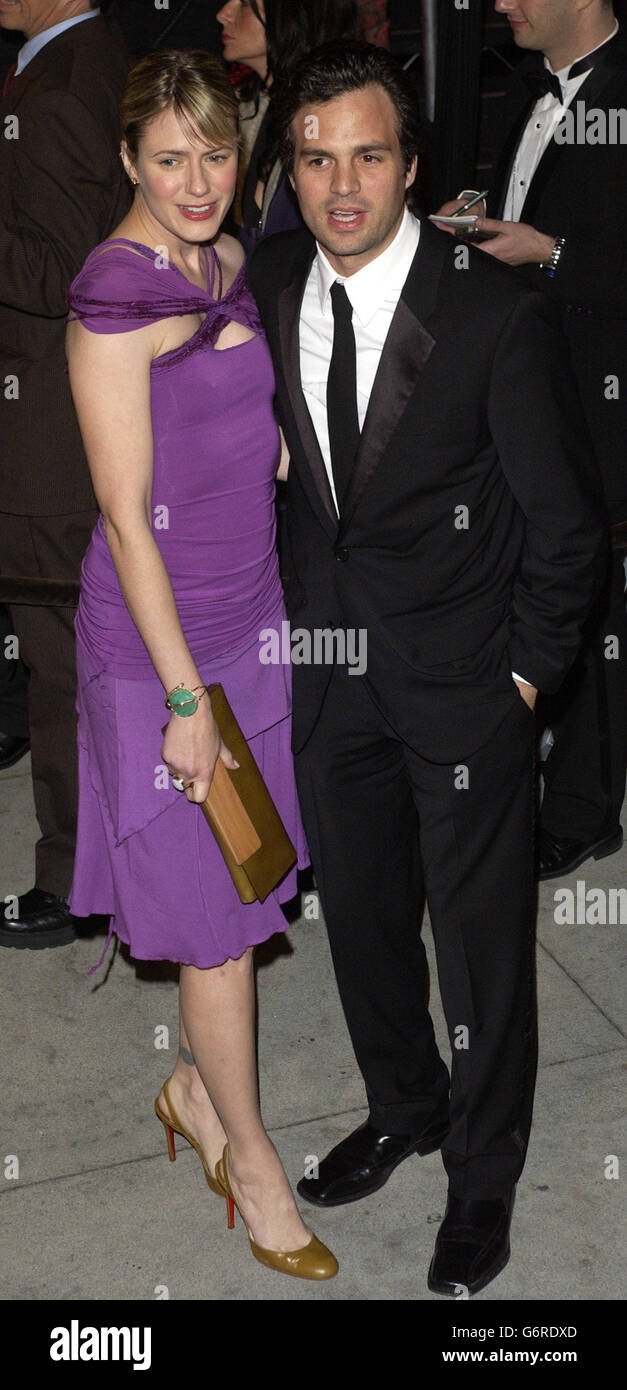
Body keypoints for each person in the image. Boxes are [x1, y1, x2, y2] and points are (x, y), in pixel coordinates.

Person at [246, 41, 605, 1295]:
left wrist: (525, 681)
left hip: (466, 683)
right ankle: (405, 1104)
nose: (343, 186)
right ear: (287, 169)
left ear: (413, 166)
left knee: (482, 947)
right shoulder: (271, 271)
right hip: (330, 669)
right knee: (363, 925)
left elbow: (570, 529)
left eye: (370, 156)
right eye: (315, 158)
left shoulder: (494, 311)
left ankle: (486, 1178)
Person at [65, 48, 337, 1283]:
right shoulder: (110, 300)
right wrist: (184, 702)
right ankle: (253, 1153)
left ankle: (187, 1088)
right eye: (166, 157)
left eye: (215, 154)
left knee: (250, 872)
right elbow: (127, 519)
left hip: (253, 620)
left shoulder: (228, 263)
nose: (194, 180)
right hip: (163, 656)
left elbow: (243, 406)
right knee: (220, 929)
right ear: (126, 158)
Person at [434, 0, 627, 882]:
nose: (501, 1)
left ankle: (585, 812)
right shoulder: (528, 88)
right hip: (528, 392)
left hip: (601, 401)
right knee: (537, 578)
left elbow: (570, 247)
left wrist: (547, 255)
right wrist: (468, 215)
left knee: (591, 602)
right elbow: (517, 194)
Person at [0, 0, 131, 951]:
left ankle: (73, 881)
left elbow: (61, 271)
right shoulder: (83, 58)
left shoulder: (58, 89)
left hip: (50, 438)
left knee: (60, 665)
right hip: (62, 422)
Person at [216, 0, 360, 251]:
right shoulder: (249, 109)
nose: (223, 15)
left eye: (246, 4)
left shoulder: (334, 121)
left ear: (293, 17)